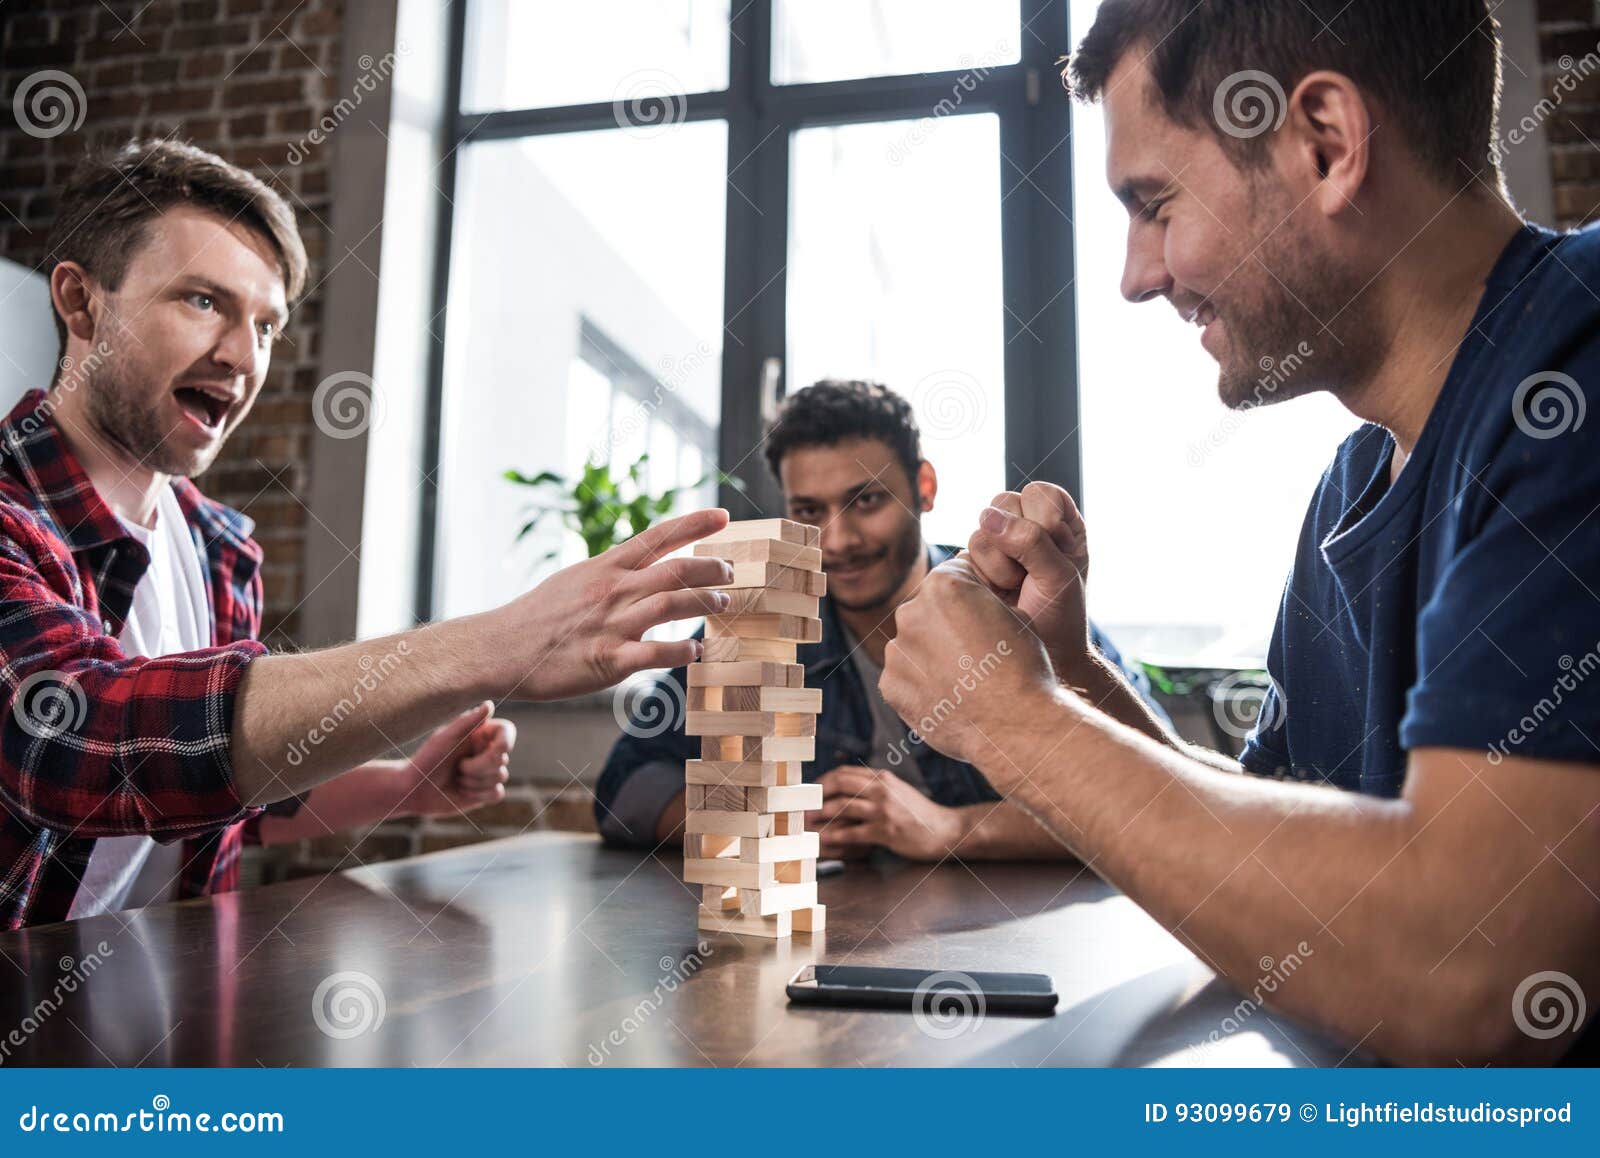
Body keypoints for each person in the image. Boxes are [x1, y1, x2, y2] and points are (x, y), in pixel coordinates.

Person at [879, 0, 1600, 1065]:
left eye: (1154, 202)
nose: (1135, 276)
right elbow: (1287, 882)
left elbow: (1470, 970)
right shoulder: (1351, 484)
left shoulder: (1576, 358)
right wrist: (1066, 673)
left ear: (1324, 143)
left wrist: (1012, 724)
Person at [0, 139, 733, 929]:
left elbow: (205, 780)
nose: (244, 356)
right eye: (202, 301)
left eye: (267, 325)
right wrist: (503, 641)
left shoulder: (214, 543)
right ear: (81, 303)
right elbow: (78, 744)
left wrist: (402, 786)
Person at [597, 379, 1166, 860]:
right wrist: (760, 821)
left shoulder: (1015, 605)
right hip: (826, 952)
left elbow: (1157, 800)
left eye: (865, 501)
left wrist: (951, 828)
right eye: (809, 511)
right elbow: (626, 790)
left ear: (924, 488)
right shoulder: (760, 621)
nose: (837, 541)